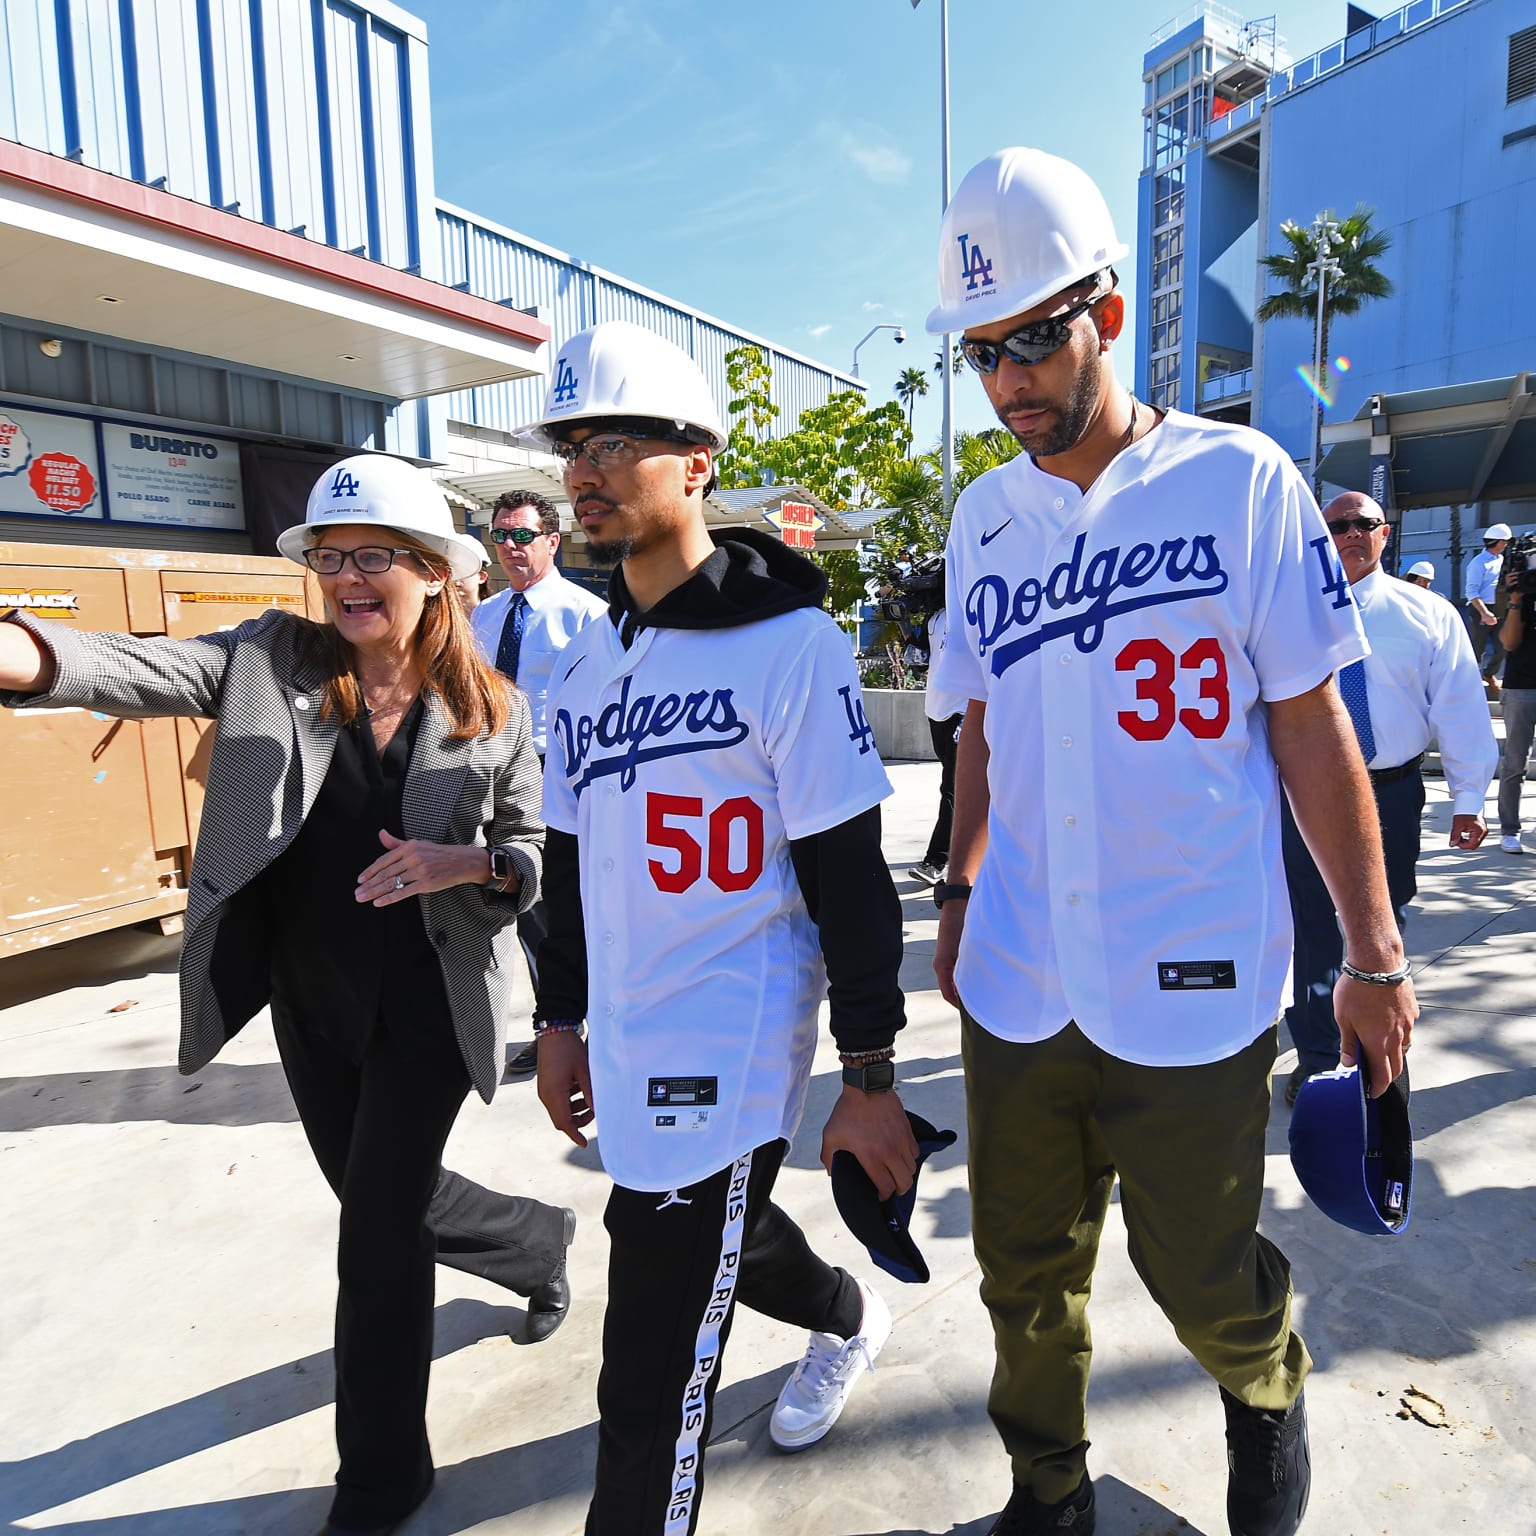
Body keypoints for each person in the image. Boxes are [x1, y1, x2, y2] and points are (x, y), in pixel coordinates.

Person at [924, 148, 1416, 1536]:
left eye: (1036, 337)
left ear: (1108, 315)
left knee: (1199, 1269)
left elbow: (1315, 730)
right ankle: (1050, 1490)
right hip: (1021, 971)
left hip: (1194, 970)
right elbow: (978, 730)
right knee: (1022, 1272)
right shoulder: (983, 522)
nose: (1013, 378)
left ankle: (1266, 1393)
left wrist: (1372, 960)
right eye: (984, 353)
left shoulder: (1241, 481)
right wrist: (958, 891)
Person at [0, 454, 576, 1536]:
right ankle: (534, 1243)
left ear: (434, 573)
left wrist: (472, 866)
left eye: (373, 557)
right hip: (313, 1005)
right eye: (328, 558)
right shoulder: (272, 658)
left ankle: (385, 1475)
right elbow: (133, 665)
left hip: (428, 1007)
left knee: (374, 1242)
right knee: (378, 1200)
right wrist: (20, 649)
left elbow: (530, 850)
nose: (346, 577)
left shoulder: (491, 709)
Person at [519, 320, 919, 1536]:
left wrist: (870, 1075)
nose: (587, 468)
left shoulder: (790, 646)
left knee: (645, 1378)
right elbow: (571, 865)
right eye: (573, 444)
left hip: (733, 1045)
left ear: (698, 462)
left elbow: (851, 878)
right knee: (715, 1247)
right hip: (628, 1037)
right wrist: (561, 1020)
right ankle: (849, 1315)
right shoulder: (586, 667)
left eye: (621, 439)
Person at [1281, 493, 1495, 1103]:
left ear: (1386, 534)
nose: (1350, 534)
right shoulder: (1288, 612)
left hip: (1390, 795)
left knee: (1381, 918)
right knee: (1314, 925)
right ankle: (1323, 1057)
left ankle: (1375, 1046)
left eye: (1363, 525)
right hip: (1305, 796)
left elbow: (1459, 706)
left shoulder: (1426, 613)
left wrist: (1468, 799)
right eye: (1336, 525)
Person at [471, 491, 605, 1076]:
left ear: (552, 540)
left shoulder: (585, 614)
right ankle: (558, 1023)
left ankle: (584, 1022)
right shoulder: (484, 614)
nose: (510, 546)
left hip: (561, 768)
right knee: (523, 898)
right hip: (497, 768)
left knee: (569, 901)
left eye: (522, 535)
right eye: (500, 535)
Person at [910, 596, 966, 887]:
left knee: (953, 788)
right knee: (958, 786)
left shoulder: (976, 609)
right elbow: (918, 662)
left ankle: (938, 860)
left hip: (965, 713)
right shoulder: (934, 618)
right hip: (938, 713)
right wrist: (907, 629)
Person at [1496, 568, 1536, 854]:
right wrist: (1515, 598)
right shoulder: (1519, 592)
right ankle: (1509, 829)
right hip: (1521, 687)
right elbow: (1509, 642)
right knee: (1514, 763)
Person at [1462, 523, 1511, 690]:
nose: (1505, 545)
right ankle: (1471, 680)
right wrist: (1484, 613)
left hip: (1500, 608)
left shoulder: (1504, 561)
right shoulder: (1478, 563)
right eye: (1504, 541)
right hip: (1479, 609)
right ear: (1497, 542)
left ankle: (1489, 674)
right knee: (1478, 647)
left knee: (1503, 645)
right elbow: (1471, 591)